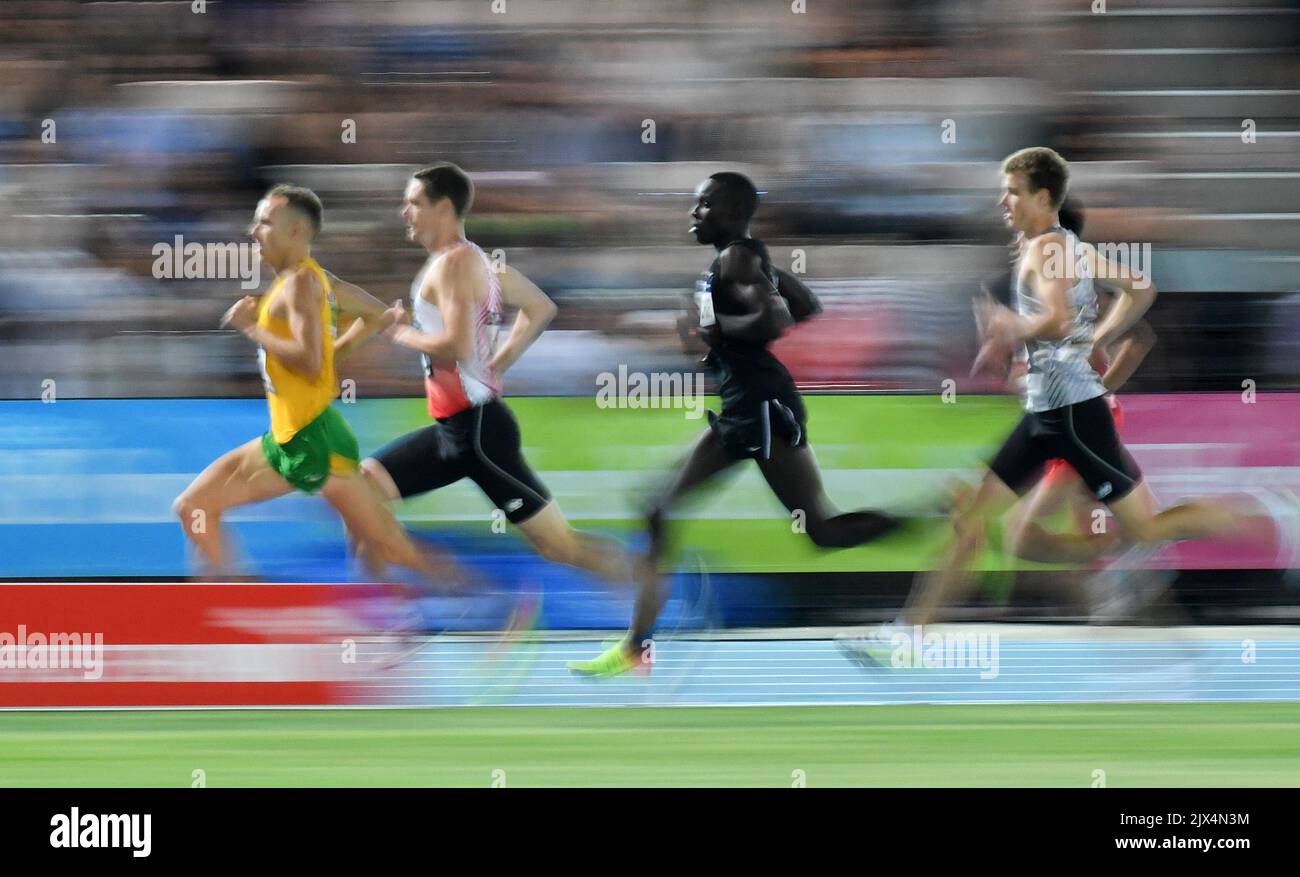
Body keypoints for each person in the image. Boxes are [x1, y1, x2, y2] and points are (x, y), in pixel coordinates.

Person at [568, 172, 900, 677]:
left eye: (702, 205)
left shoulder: (737, 258)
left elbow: (776, 322)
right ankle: (637, 646)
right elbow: (807, 305)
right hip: (743, 408)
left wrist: (716, 330)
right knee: (659, 508)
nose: (692, 214)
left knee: (822, 530)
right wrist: (711, 341)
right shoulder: (742, 258)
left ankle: (928, 521)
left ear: (729, 211)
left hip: (763, 408)